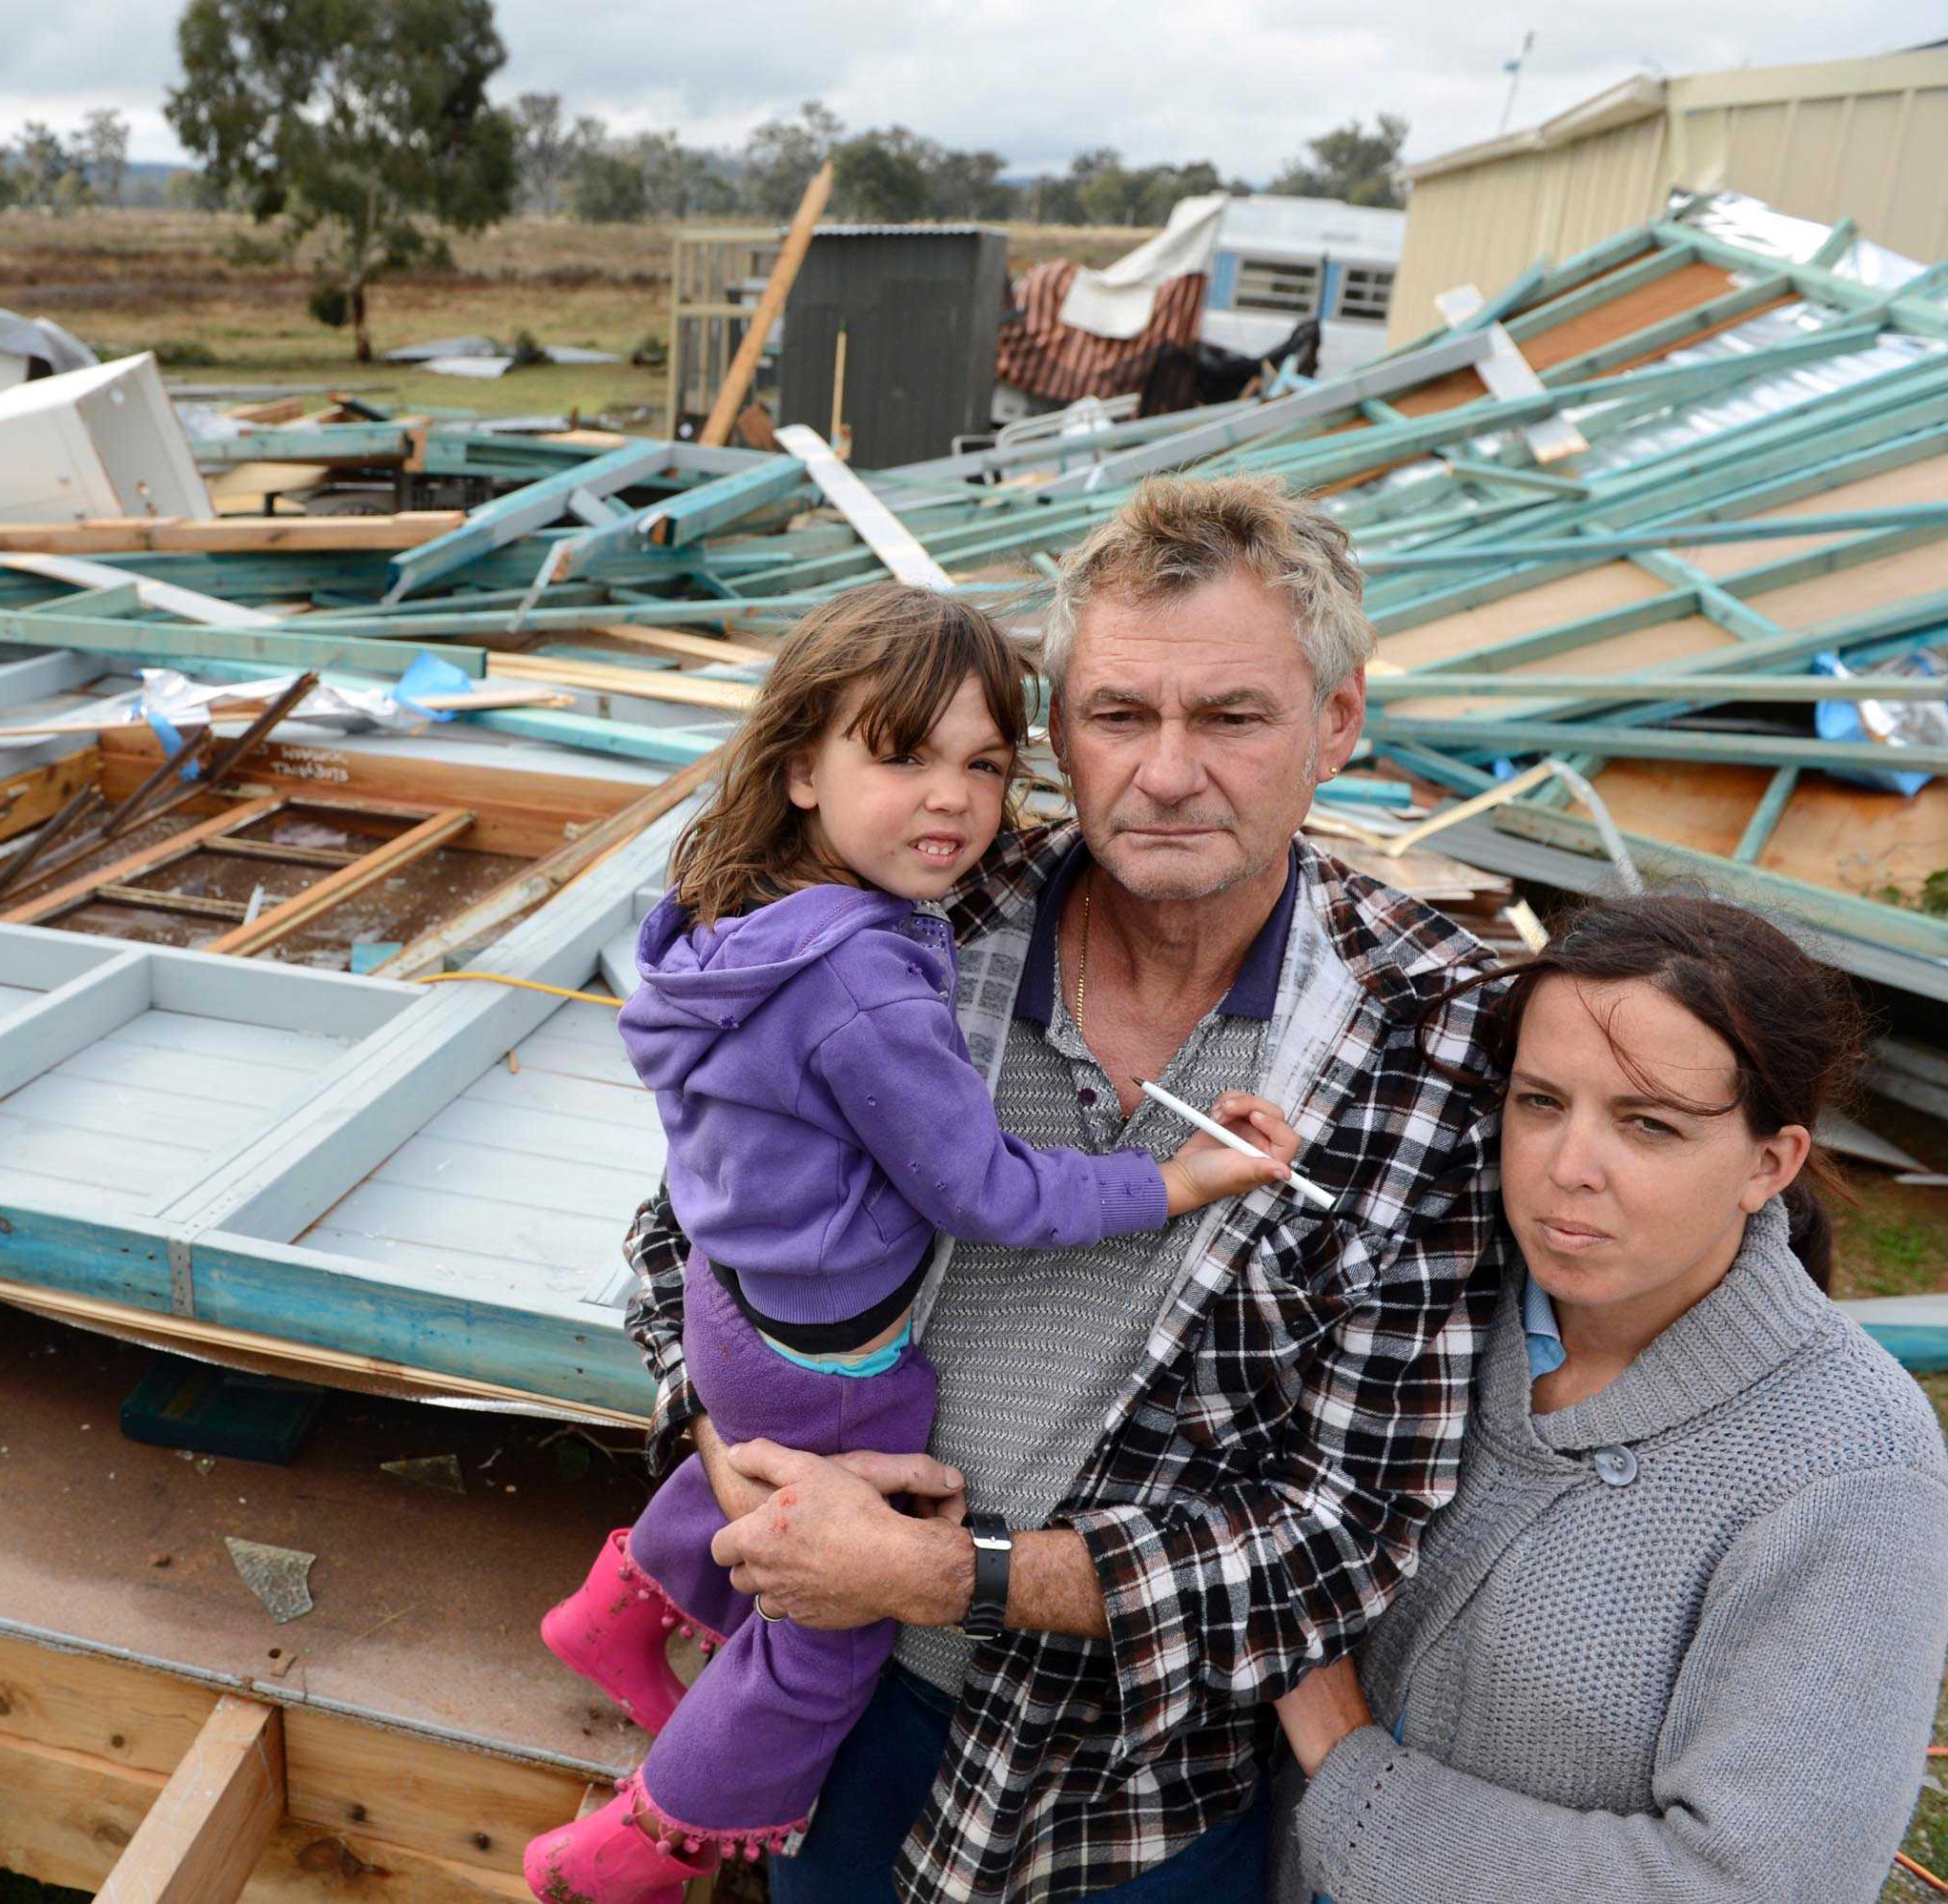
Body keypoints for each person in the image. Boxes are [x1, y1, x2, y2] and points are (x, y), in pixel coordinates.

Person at [619, 473, 1505, 1902]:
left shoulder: (1424, 1036)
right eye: (1117, 716)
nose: (1165, 772)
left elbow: (1345, 1525)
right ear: (1056, 735)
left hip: (1128, 1795)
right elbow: (682, 1233)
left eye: (1231, 716)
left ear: (1335, 724)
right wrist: (732, 1442)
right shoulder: (913, 918)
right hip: (842, 1723)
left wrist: (939, 1574)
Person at [523, 583, 1299, 1904]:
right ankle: (644, 1842)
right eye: (902, 754)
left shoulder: (734, 924)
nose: (952, 800)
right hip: (833, 1350)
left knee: (772, 1479)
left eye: (985, 763)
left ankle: (629, 1596)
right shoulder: (871, 982)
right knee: (833, 1619)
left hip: (739, 1296)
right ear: (803, 771)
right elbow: (988, 1192)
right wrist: (1173, 1180)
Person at [1271, 894, 1948, 1903]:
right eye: (1541, 1101)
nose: (1566, 1169)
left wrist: (1348, 1763)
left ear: (1771, 1162)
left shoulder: (1853, 1468)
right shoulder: (1425, 1310)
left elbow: (1752, 1886)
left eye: (1648, 1123)